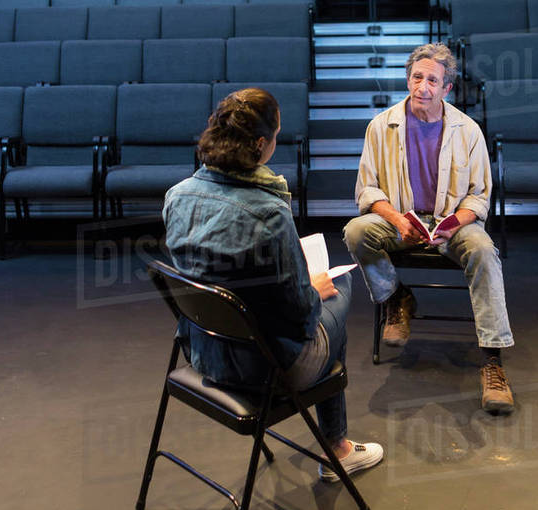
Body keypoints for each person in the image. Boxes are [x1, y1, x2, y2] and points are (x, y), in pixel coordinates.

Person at [163, 86, 384, 481]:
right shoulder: (270, 214)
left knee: (312, 291)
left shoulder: (176, 197)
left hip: (199, 350)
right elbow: (301, 319)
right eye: (277, 135)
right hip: (267, 370)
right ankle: (338, 448)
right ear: (261, 143)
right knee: (340, 288)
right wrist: (313, 289)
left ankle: (338, 445)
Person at [344, 43, 515, 414]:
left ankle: (492, 360)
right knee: (357, 231)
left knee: (484, 251)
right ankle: (396, 298)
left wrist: (456, 223)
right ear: (408, 79)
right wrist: (397, 219)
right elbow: (367, 189)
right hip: (400, 221)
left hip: (451, 224)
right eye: (417, 77)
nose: (423, 86)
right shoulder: (381, 125)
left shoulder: (468, 131)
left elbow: (480, 195)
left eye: (432, 80)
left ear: (446, 88)